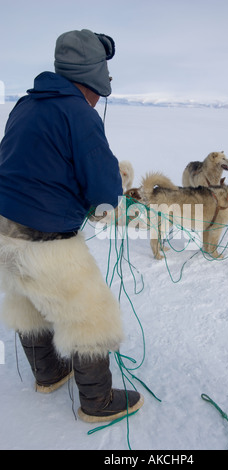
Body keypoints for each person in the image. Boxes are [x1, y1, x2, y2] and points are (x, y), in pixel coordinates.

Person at [0, 29, 144, 423]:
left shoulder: (25, 106)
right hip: (45, 242)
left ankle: (48, 372)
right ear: (94, 77)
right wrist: (104, 205)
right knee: (88, 312)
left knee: (28, 301)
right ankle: (97, 402)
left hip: (3, 232)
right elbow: (101, 189)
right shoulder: (79, 114)